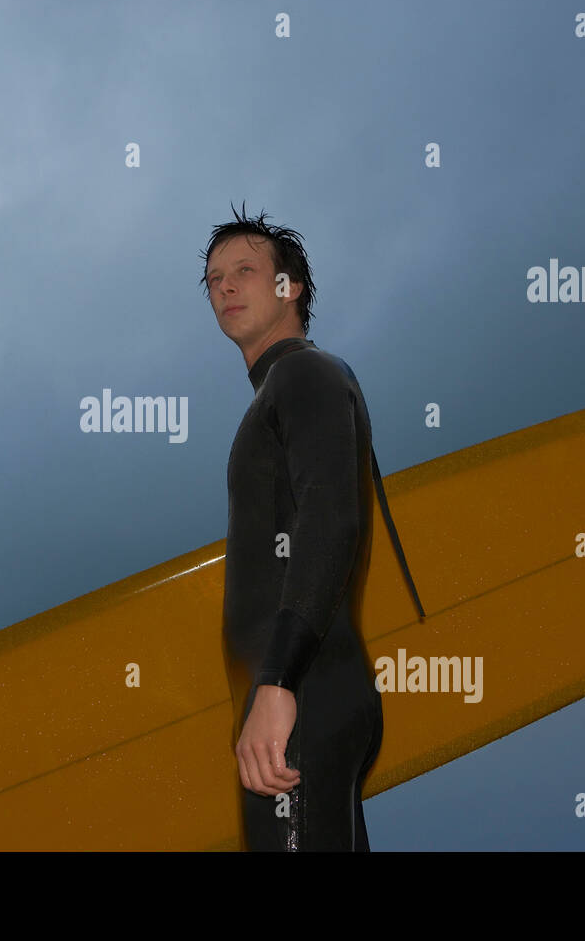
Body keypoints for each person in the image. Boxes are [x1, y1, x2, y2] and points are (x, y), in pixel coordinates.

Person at [200, 202, 384, 851]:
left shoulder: (305, 374)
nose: (224, 286)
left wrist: (277, 684)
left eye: (244, 270)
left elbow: (333, 518)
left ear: (290, 287)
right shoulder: (283, 390)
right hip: (304, 694)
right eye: (214, 278)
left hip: (302, 693)